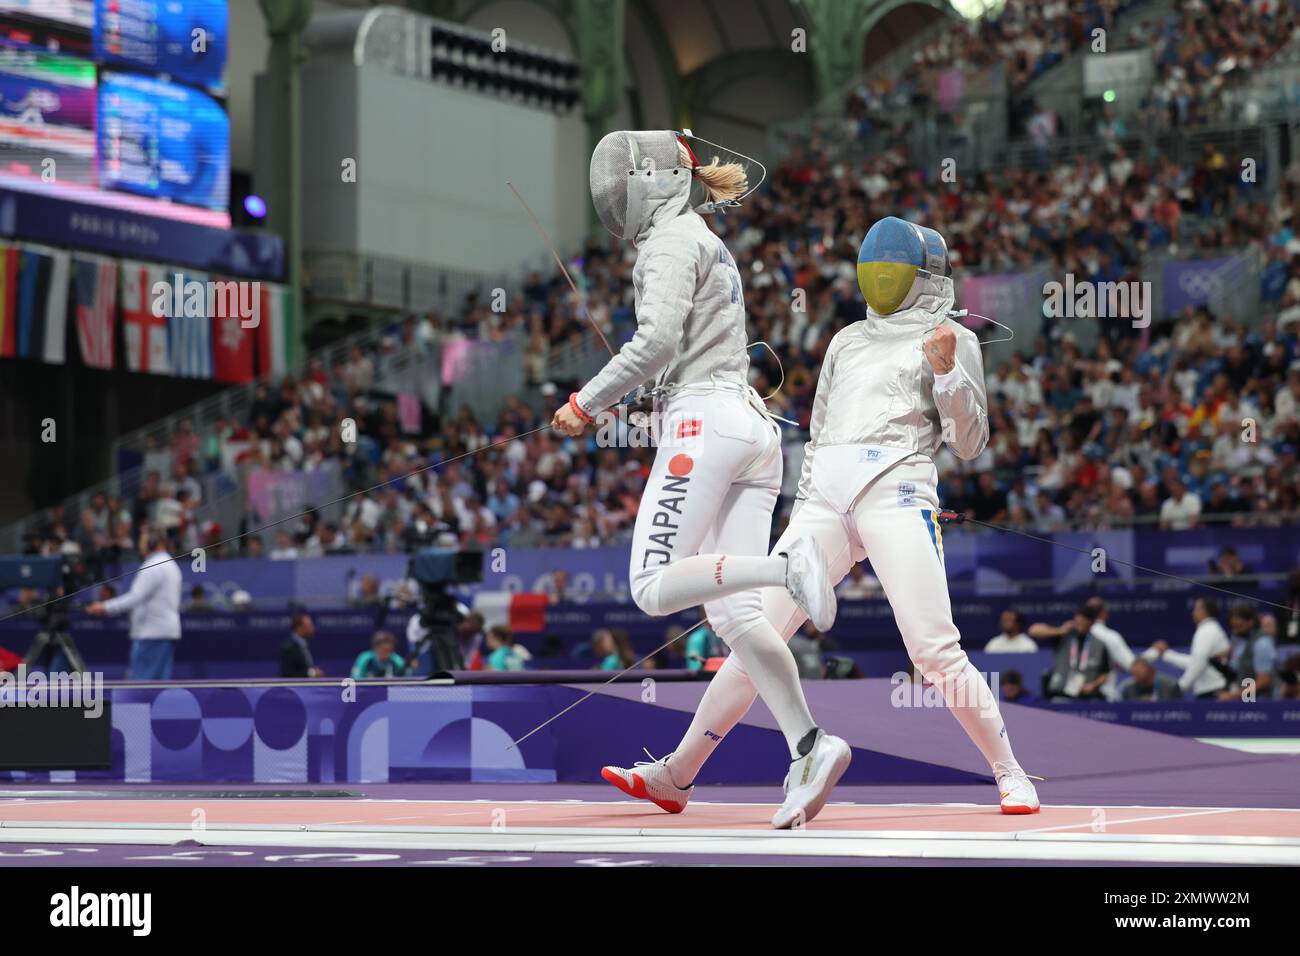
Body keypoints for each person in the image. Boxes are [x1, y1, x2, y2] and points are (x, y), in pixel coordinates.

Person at [610, 217, 1040, 816]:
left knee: (933, 650)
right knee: (753, 636)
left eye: (891, 271)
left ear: (924, 277)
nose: (879, 280)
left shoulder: (955, 337)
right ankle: (677, 775)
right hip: (823, 505)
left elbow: (970, 442)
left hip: (898, 492)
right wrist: (810, 502)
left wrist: (945, 372)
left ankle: (1011, 771)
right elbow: (818, 433)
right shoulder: (845, 340)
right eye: (874, 271)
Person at [552, 129, 846, 828]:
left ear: (652, 179)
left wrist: (582, 403)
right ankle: (810, 745)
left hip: (706, 423)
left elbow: (653, 343)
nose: (615, 196)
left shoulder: (668, 243)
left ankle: (786, 569)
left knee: (651, 585)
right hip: (751, 427)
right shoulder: (696, 236)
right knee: (735, 617)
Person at [87, 525, 182, 680]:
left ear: (153, 542)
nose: (140, 545)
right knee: (158, 689)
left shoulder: (154, 565)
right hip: (162, 633)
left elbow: (135, 597)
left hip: (151, 635)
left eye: (143, 541)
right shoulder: (169, 563)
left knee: (142, 688)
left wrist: (104, 607)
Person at [1149, 598, 1231, 698]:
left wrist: (1181, 686)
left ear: (1203, 611)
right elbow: (1196, 662)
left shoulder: (1207, 631)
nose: (1193, 613)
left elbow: (1199, 663)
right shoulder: (1210, 629)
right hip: (1212, 689)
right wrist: (1166, 654)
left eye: (1195, 609)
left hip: (1213, 691)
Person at [281, 610, 323, 679]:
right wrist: (312, 673)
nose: (313, 628)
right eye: (309, 625)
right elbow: (288, 674)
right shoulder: (289, 648)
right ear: (299, 628)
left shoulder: (303, 644)